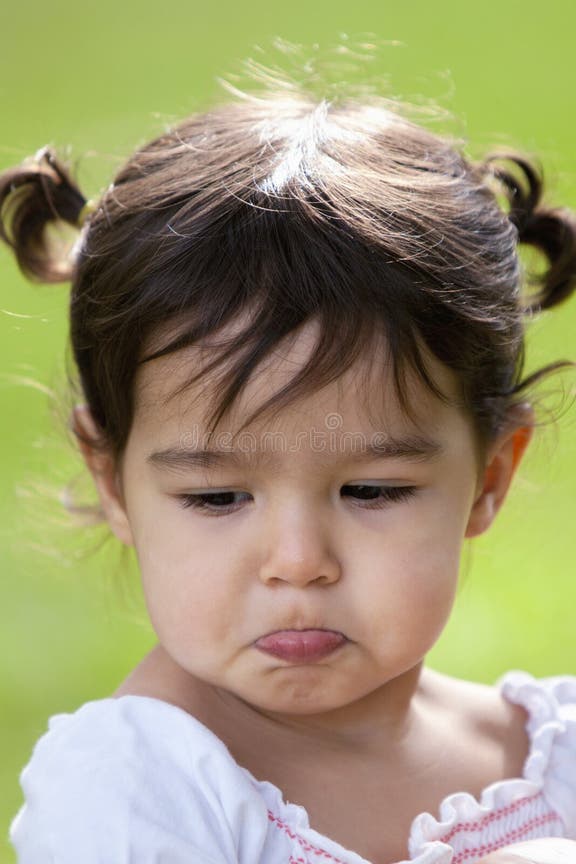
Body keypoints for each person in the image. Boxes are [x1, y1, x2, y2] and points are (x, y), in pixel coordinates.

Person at [2, 74, 576, 864]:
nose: (298, 563)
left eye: (373, 490)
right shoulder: (137, 791)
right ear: (113, 481)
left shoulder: (556, 763)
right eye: (216, 496)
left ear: (488, 478)